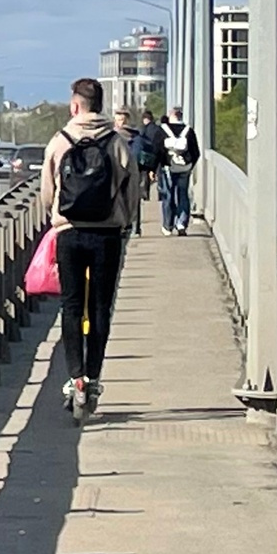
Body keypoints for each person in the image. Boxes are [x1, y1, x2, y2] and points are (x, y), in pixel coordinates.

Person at [43, 77, 134, 417]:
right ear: (100, 105)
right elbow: (131, 188)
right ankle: (94, 377)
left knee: (70, 307)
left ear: (75, 105)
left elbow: (48, 191)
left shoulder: (60, 141)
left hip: (69, 233)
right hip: (107, 235)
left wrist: (58, 217)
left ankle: (75, 377)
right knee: (99, 308)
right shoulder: (117, 142)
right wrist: (124, 221)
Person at [156, 105, 199, 235]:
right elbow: (195, 152)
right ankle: (181, 224)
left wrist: (155, 167)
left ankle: (168, 225)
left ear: (170, 116)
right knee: (183, 195)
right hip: (184, 167)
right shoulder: (188, 131)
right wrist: (190, 165)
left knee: (168, 196)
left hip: (168, 167)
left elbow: (157, 150)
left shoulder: (162, 130)